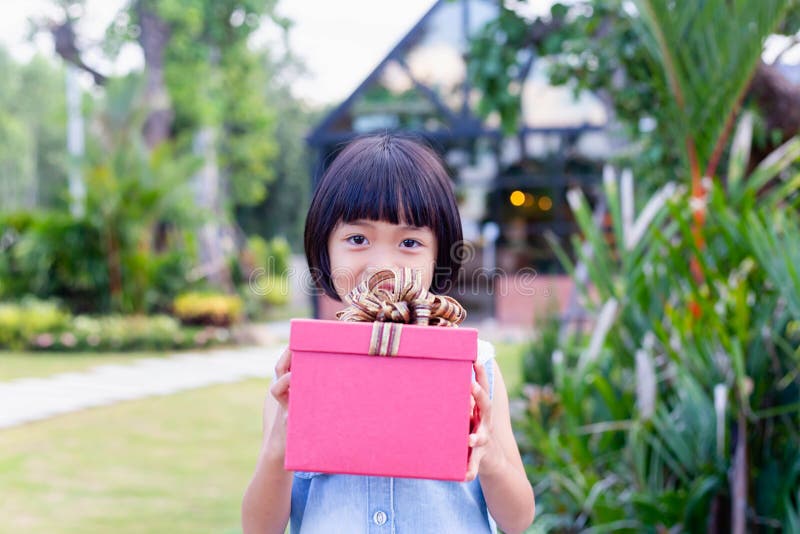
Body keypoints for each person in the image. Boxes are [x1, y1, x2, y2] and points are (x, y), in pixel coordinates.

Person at [242, 134, 535, 534]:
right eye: (357, 239)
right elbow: (260, 528)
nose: (383, 263)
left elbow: (517, 520)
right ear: (325, 249)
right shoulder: (300, 370)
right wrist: (280, 445)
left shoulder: (474, 368)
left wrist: (488, 453)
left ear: (438, 255)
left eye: (410, 242)